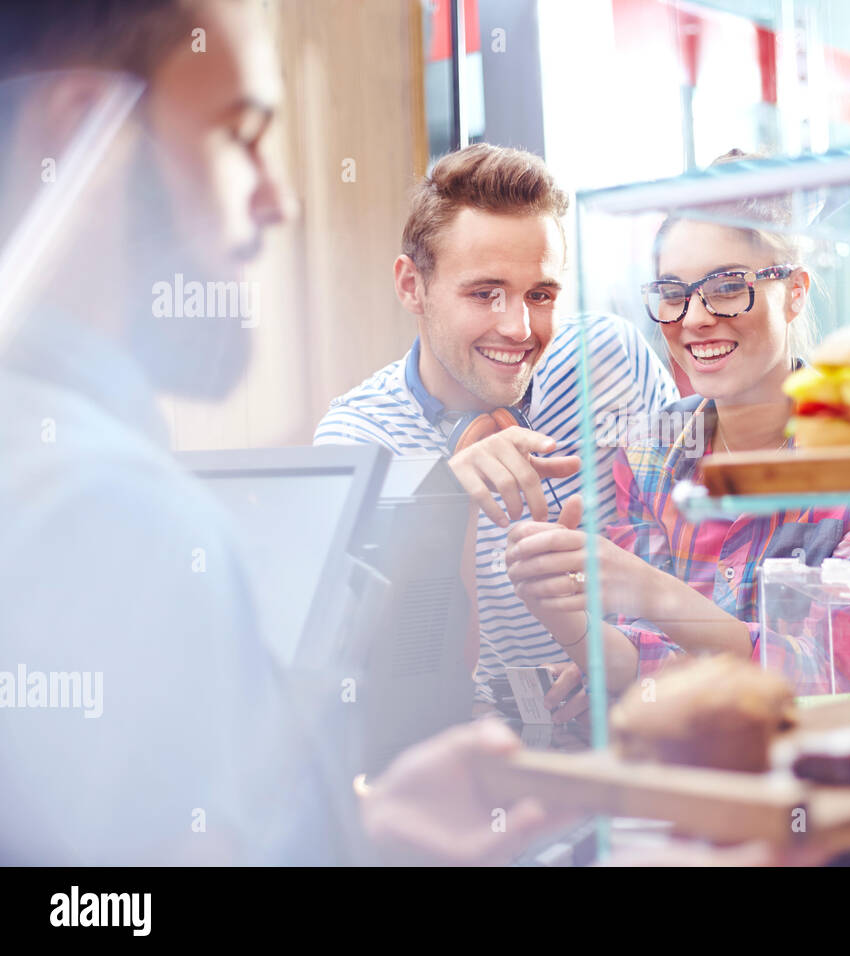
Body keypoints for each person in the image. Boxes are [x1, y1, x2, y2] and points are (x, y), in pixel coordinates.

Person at [0, 0, 559, 865]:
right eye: (238, 134)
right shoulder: (105, 508)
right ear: (81, 136)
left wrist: (354, 835)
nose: (279, 199)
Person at [503, 153, 850, 695]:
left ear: (796, 291)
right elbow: (643, 662)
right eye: (672, 294)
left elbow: (834, 677)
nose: (694, 318)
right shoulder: (647, 455)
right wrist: (567, 614)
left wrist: (654, 594)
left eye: (729, 287)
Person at [314, 144, 677, 719]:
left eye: (541, 294)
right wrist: (444, 501)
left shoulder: (610, 361)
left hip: (646, 734)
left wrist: (621, 656)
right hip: (478, 768)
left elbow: (686, 546)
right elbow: (366, 684)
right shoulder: (359, 443)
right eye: (485, 294)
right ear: (412, 286)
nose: (520, 328)